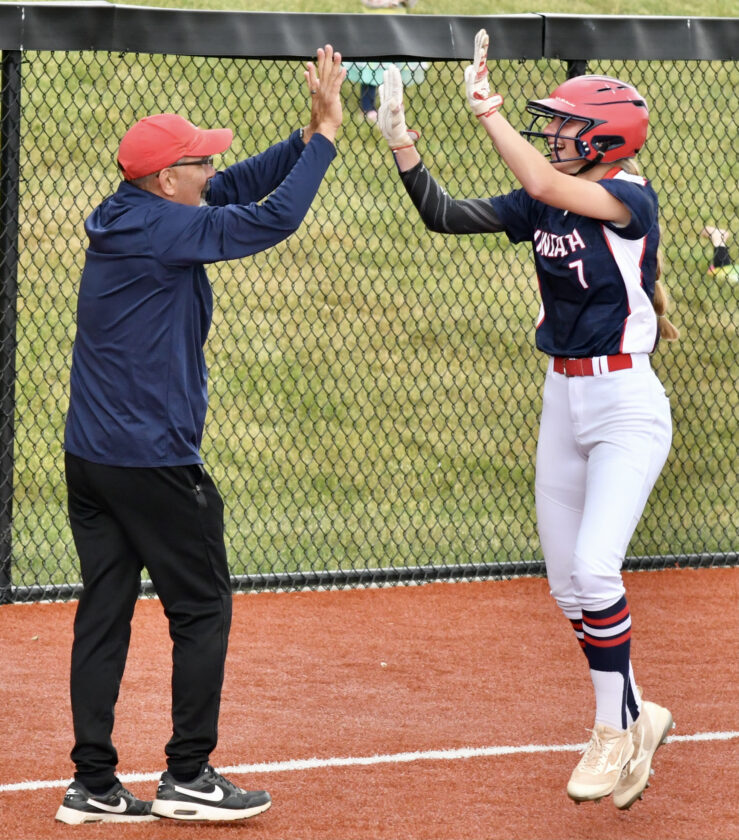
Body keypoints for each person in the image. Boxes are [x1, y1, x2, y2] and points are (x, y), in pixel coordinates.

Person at [376, 31, 678, 809]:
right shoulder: (544, 194)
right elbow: (444, 215)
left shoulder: (628, 197)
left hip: (624, 405)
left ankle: (612, 732)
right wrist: (402, 144)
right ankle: (638, 715)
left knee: (594, 571)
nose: (554, 132)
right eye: (549, 123)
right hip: (563, 397)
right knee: (564, 585)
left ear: (606, 139)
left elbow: (540, 175)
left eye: (569, 124)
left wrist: (487, 115)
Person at [55, 46, 346, 825]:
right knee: (202, 607)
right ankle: (187, 773)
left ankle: (91, 784)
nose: (209, 168)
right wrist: (325, 147)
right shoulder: (164, 231)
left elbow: (236, 186)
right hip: (152, 461)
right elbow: (270, 218)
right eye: (197, 160)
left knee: (105, 610)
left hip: (91, 459)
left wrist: (303, 134)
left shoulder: (136, 212)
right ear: (163, 178)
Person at [344, 0, 426, 124]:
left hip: (397, 23)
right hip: (373, 22)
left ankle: (394, 106)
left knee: (395, 67)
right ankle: (367, 107)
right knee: (371, 65)